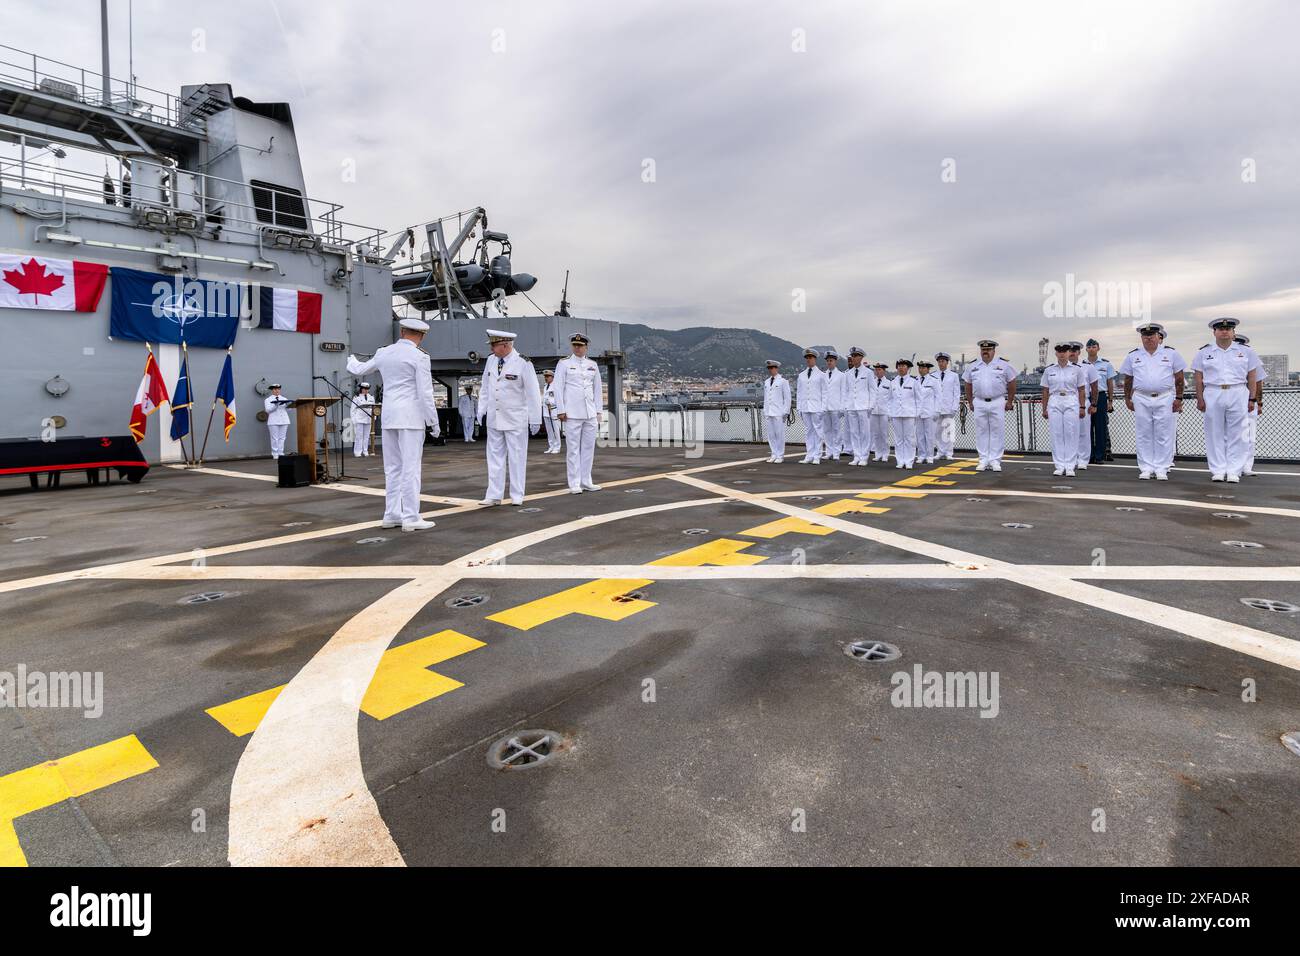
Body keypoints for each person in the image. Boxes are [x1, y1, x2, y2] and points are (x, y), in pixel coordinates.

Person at [346, 317, 440, 531]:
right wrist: (433, 422)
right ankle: (411, 517)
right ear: (422, 336)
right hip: (411, 418)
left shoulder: (383, 352)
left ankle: (391, 514)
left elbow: (359, 369)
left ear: (402, 332)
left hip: (389, 418)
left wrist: (350, 359)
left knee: (393, 468)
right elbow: (425, 393)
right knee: (411, 468)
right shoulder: (420, 357)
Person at [477, 329, 542, 505]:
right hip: (494, 418)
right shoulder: (491, 360)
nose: (491, 348)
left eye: (494, 345)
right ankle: (494, 495)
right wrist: (481, 408)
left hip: (515, 418)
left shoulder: (523, 363)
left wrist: (536, 418)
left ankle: (517, 494)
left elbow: (533, 392)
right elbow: (485, 387)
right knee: (494, 457)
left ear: (505, 345)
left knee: (517, 457)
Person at [1192, 317, 1259, 483]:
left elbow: (1252, 377)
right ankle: (1218, 470)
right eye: (1221, 329)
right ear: (1214, 332)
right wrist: (1200, 398)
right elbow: (1198, 378)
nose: (1224, 331)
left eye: (1228, 329)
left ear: (1233, 332)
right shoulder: (1203, 353)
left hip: (1237, 391)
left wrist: (1252, 398)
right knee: (1214, 433)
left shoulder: (1246, 352)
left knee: (1238, 434)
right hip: (1213, 392)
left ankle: (1234, 470)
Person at [1119, 322, 1185, 480]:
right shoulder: (1133, 355)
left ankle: (1162, 468)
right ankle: (1146, 467)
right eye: (1145, 336)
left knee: (1164, 434)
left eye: (1152, 335)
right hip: (1141, 397)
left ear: (1158, 336)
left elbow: (1180, 377)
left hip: (1164, 396)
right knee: (1144, 434)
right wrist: (1127, 398)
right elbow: (1128, 379)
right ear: (1141, 337)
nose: (1149, 338)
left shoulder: (1171, 354)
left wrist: (1179, 398)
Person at [551, 332, 602, 494]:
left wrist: (598, 411)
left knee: (588, 448)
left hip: (590, 413)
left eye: (580, 346)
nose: (577, 348)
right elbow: (558, 387)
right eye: (575, 345)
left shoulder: (593, 365)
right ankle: (574, 483)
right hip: (571, 413)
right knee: (573, 449)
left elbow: (597, 389)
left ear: (586, 347)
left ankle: (586, 480)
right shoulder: (564, 364)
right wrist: (561, 410)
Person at [962, 339, 1017, 472]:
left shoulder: (1003, 365)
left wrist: (1009, 401)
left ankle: (995, 460)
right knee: (981, 431)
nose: (985, 352)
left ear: (994, 351)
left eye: (988, 350)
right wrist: (970, 402)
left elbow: (1012, 382)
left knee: (997, 432)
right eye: (983, 350)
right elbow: (967, 385)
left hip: (997, 401)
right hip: (979, 401)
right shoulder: (973, 366)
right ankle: (983, 459)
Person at [1041, 343, 1086, 476]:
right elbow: (1045, 390)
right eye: (1059, 351)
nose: (1062, 354)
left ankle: (1070, 465)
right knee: (1057, 434)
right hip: (1054, 400)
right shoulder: (1049, 370)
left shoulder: (1077, 370)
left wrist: (1082, 407)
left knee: (1071, 433)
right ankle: (1059, 465)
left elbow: (1081, 389)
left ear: (1068, 353)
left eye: (1064, 351)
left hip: (1071, 399)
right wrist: (1044, 409)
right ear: (1056, 353)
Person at [1234, 333, 1264, 476]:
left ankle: (1246, 466)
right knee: (1231, 434)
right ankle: (1233, 465)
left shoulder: (1251, 359)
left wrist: (1259, 402)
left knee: (1248, 435)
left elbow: (1259, 382)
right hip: (1233, 400)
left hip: (1249, 401)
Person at [1068, 341, 1099, 470]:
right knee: (1069, 432)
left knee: (1083, 432)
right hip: (1067, 401)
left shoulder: (1088, 367)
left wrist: (1094, 404)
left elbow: (1094, 386)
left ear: (1079, 352)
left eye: (1074, 351)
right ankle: (1070, 458)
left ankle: (1083, 459)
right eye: (1069, 351)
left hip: (1083, 402)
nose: (1072, 353)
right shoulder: (1062, 367)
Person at [844, 347, 876, 466]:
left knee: (864, 432)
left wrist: (870, 406)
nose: (854, 358)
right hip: (852, 406)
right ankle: (856, 456)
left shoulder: (868, 373)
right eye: (852, 356)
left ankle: (864, 456)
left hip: (863, 406)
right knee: (854, 432)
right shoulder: (848, 373)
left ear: (861, 357)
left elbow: (873, 390)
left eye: (856, 356)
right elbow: (846, 391)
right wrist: (846, 405)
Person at [1085, 339, 1115, 464]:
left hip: (1101, 397)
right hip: (1087, 397)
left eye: (1094, 346)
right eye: (1089, 347)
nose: (1091, 348)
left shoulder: (1106, 364)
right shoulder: (1082, 365)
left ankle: (1100, 455)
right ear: (1086, 349)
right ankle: (1089, 454)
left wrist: (1110, 401)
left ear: (1098, 348)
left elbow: (1110, 383)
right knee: (1087, 427)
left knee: (1101, 427)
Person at [796, 348, 827, 464]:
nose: (809, 360)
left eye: (811, 358)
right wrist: (799, 407)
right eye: (807, 358)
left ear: (815, 359)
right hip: (805, 407)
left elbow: (825, 393)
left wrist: (823, 408)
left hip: (816, 407)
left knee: (818, 431)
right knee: (808, 431)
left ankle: (817, 455)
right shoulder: (801, 375)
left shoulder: (821, 375)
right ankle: (809, 455)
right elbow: (799, 393)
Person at [888, 359, 920, 469]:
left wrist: (917, 413)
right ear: (897, 368)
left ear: (908, 368)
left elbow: (918, 399)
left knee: (909, 439)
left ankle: (909, 460)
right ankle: (900, 460)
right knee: (898, 439)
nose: (901, 368)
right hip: (896, 414)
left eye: (903, 366)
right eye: (899, 366)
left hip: (909, 414)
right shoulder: (892, 382)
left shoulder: (914, 382)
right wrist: (890, 413)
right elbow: (890, 400)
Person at [933, 352, 961, 460]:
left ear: (947, 362)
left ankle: (949, 452)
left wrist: (954, 407)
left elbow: (956, 393)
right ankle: (940, 452)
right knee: (938, 431)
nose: (941, 363)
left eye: (943, 361)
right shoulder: (933, 375)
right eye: (939, 361)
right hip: (937, 407)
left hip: (949, 407)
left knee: (949, 431)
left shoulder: (954, 376)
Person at [762, 360, 791, 463]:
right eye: (769, 368)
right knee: (771, 435)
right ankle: (774, 454)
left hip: (779, 412)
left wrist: (785, 412)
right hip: (769, 412)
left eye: (773, 368)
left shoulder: (783, 381)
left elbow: (787, 398)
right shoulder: (766, 382)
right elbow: (766, 398)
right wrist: (765, 411)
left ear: (777, 368)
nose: (771, 370)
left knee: (779, 434)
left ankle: (780, 455)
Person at [821, 348, 847, 460]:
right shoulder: (823, 375)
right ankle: (829, 451)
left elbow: (843, 392)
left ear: (835, 361)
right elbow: (822, 392)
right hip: (825, 407)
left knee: (836, 430)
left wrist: (842, 408)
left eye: (831, 360)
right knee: (827, 430)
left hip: (836, 406)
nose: (829, 362)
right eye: (828, 361)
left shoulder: (841, 375)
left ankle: (836, 452)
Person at [915, 359, 938, 464]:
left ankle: (929, 455)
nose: (921, 369)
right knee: (919, 435)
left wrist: (937, 411)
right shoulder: (915, 380)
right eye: (920, 367)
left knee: (929, 435)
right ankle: (921, 455)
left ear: (928, 369)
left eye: (923, 367)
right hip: (918, 412)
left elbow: (938, 397)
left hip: (929, 411)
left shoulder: (934, 380)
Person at [868, 362, 892, 462]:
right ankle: (878, 453)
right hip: (874, 412)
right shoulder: (872, 382)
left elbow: (891, 399)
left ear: (884, 371)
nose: (877, 371)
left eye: (879, 369)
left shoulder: (889, 383)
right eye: (876, 370)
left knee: (884, 434)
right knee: (876, 434)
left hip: (884, 412)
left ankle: (885, 453)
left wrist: (890, 412)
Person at [263, 384, 291, 459]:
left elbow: (289, 410)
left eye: (278, 389)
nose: (277, 390)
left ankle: (281, 452)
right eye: (275, 389)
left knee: (282, 438)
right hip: (273, 421)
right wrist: (275, 405)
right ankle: (275, 453)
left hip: (284, 420)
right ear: (272, 390)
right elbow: (268, 410)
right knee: (274, 438)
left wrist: (288, 405)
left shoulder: (284, 398)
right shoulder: (268, 400)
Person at [349, 382, 375, 457]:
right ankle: (357, 451)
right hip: (359, 419)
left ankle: (365, 450)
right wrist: (354, 420)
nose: (366, 390)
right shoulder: (356, 397)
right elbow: (352, 409)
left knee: (366, 436)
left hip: (368, 418)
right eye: (364, 389)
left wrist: (374, 418)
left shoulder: (371, 397)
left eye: (367, 389)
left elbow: (374, 408)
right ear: (361, 389)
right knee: (359, 436)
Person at [540, 370, 561, 454]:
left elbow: (557, 398)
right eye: (545, 376)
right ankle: (551, 446)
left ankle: (557, 446)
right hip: (546, 410)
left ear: (552, 377)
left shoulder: (555, 386)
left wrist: (550, 403)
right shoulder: (546, 386)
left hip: (553, 409)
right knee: (549, 430)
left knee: (555, 429)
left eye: (548, 376)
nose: (546, 378)